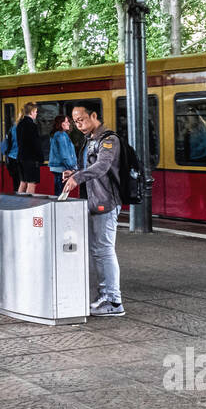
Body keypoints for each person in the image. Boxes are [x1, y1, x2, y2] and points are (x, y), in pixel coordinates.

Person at [62, 104, 124, 317]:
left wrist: (77, 178)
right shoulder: (91, 140)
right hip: (94, 201)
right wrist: (75, 172)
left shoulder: (109, 140)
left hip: (105, 202)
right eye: (75, 121)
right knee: (97, 251)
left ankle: (114, 301)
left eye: (81, 120)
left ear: (94, 115)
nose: (78, 125)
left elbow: (102, 167)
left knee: (104, 250)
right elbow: (91, 166)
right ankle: (104, 296)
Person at [14, 102, 43, 194]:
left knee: (23, 182)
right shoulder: (32, 125)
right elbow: (36, 144)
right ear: (31, 112)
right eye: (35, 112)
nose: (36, 114)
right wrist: (40, 158)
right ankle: (29, 206)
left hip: (21, 157)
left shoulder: (20, 124)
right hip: (31, 159)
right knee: (31, 183)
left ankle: (19, 203)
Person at [48, 113, 77, 196]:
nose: (69, 123)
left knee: (60, 192)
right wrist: (72, 168)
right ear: (61, 124)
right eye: (66, 121)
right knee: (61, 193)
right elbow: (65, 155)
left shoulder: (57, 134)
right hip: (62, 168)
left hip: (59, 168)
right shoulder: (61, 135)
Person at [0, 122, 20, 192]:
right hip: (18, 157)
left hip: (11, 157)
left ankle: (16, 194)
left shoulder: (12, 128)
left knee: (15, 180)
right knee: (21, 180)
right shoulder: (21, 128)